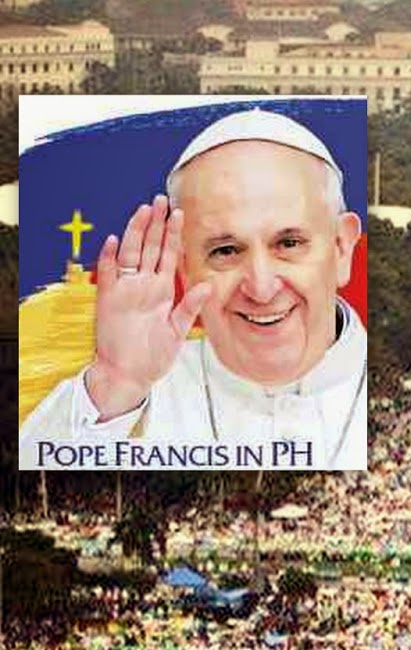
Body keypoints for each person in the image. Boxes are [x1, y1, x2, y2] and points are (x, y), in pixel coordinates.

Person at [20, 107, 367, 469]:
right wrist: (114, 381)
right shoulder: (140, 380)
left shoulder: (395, 373)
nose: (261, 288)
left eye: (289, 244)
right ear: (184, 267)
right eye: (225, 251)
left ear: (342, 249)